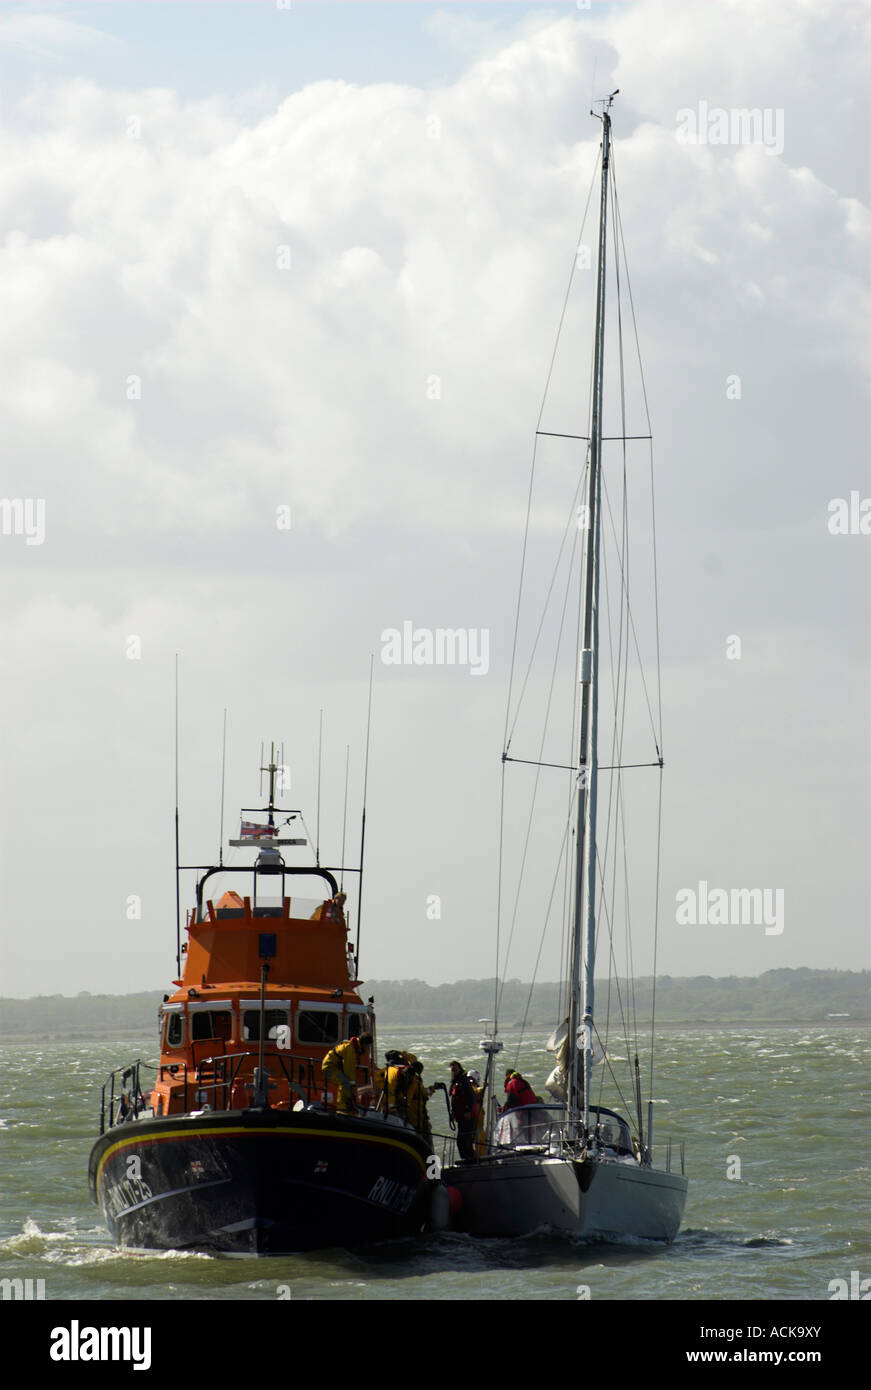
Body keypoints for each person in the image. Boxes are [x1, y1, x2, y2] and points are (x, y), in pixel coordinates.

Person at [322, 1032, 372, 1114]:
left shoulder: (353, 1048)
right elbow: (349, 1070)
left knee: (346, 1082)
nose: (368, 1048)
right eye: (367, 1046)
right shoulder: (351, 1050)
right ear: (363, 1044)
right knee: (345, 1083)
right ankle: (342, 1109)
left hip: (334, 1067)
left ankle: (345, 1106)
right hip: (329, 1069)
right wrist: (352, 1086)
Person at [449, 1061, 479, 1161]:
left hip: (467, 1116)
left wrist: (468, 1110)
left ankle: (469, 1160)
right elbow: (455, 1099)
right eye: (452, 1070)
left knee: (464, 1140)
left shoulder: (464, 1081)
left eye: (455, 1069)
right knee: (462, 1140)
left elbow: (471, 1097)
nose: (453, 1071)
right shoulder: (455, 1082)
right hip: (460, 1116)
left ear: (460, 1069)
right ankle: (466, 1159)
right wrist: (453, 1113)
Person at [468, 1068, 487, 1157]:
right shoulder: (471, 1088)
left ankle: (477, 1156)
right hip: (476, 1121)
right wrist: (484, 1087)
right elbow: (475, 1092)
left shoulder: (467, 1087)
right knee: (480, 1140)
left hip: (476, 1120)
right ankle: (479, 1158)